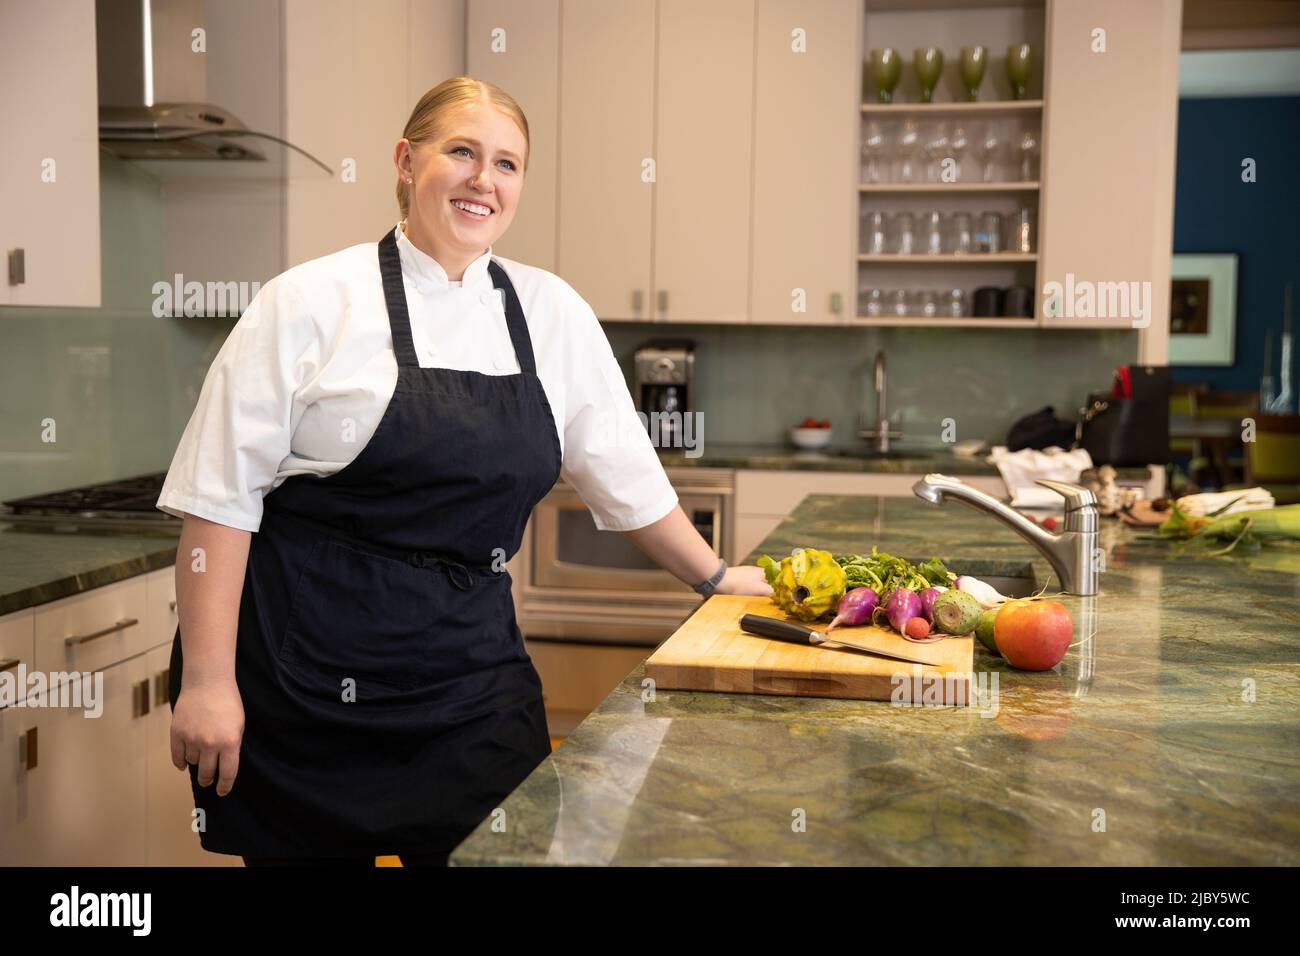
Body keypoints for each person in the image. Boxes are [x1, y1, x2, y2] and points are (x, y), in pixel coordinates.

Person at [158, 76, 772, 867]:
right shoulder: (308, 302)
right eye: (463, 152)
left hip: (467, 677)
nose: (486, 180)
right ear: (407, 162)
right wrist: (208, 683)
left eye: (508, 164)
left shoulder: (551, 314)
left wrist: (715, 578)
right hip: (303, 674)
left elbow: (626, 476)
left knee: (506, 849)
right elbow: (219, 505)